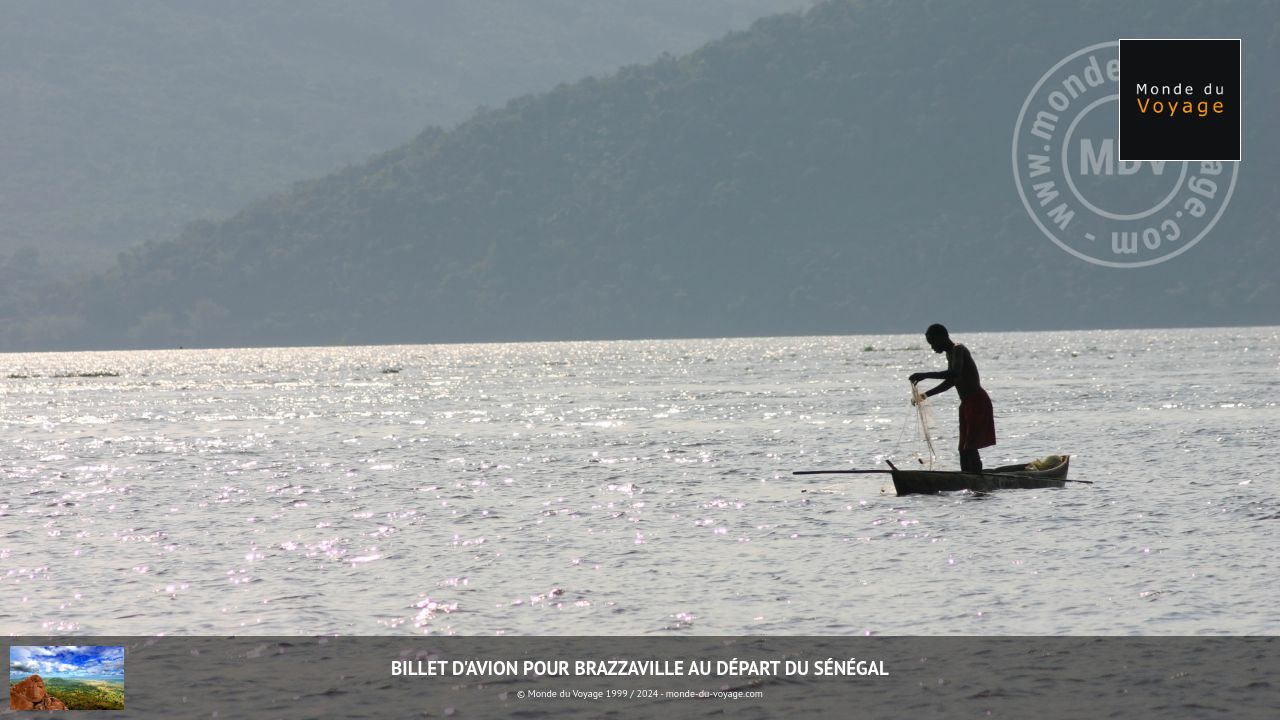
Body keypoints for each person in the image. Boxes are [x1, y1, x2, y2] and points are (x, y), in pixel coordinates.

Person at [908, 324, 995, 472]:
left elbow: (954, 373)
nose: (932, 347)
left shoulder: (958, 349)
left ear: (942, 337)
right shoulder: (950, 354)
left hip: (977, 401)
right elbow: (950, 382)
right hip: (966, 404)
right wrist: (924, 395)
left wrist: (924, 374)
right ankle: (966, 477)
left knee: (970, 446)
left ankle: (977, 479)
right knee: (963, 447)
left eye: (933, 343)